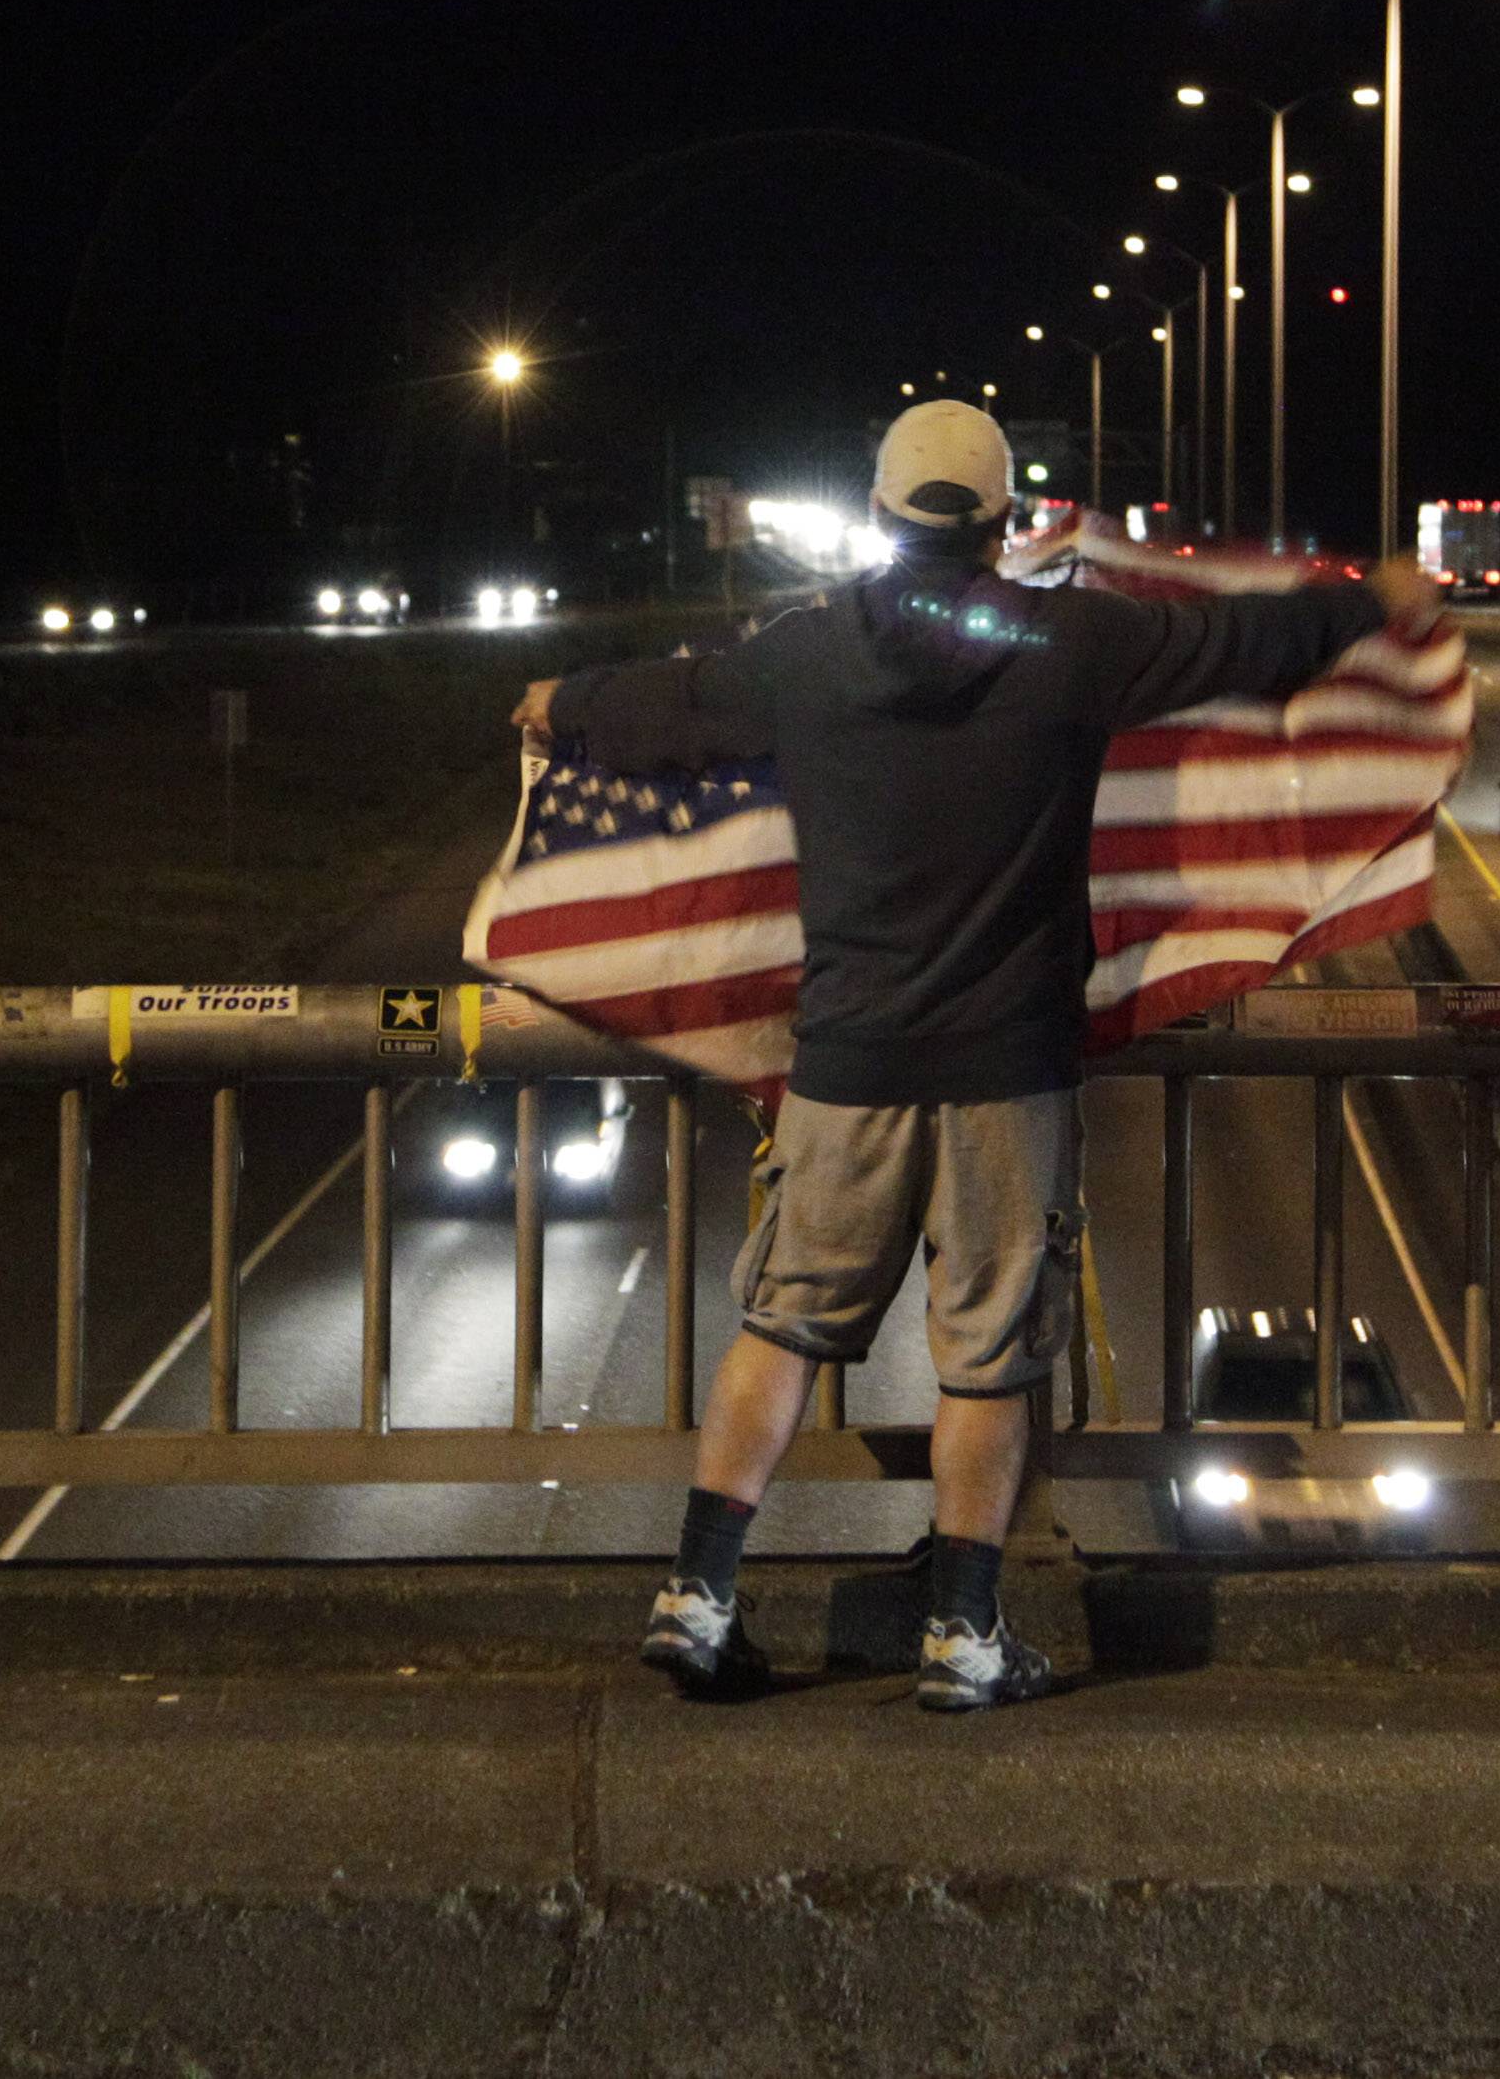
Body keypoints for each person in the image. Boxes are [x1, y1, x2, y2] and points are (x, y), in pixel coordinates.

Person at [516, 401, 1434, 1709]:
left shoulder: (807, 653)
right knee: (990, 1359)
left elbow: (679, 707)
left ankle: (699, 1596)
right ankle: (963, 1633)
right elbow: (1246, 641)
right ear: (1002, 524)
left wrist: (565, 702)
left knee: (781, 1325)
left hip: (849, 1063)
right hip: (1010, 1067)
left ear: (881, 517)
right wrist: (1372, 602)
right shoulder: (1076, 645)